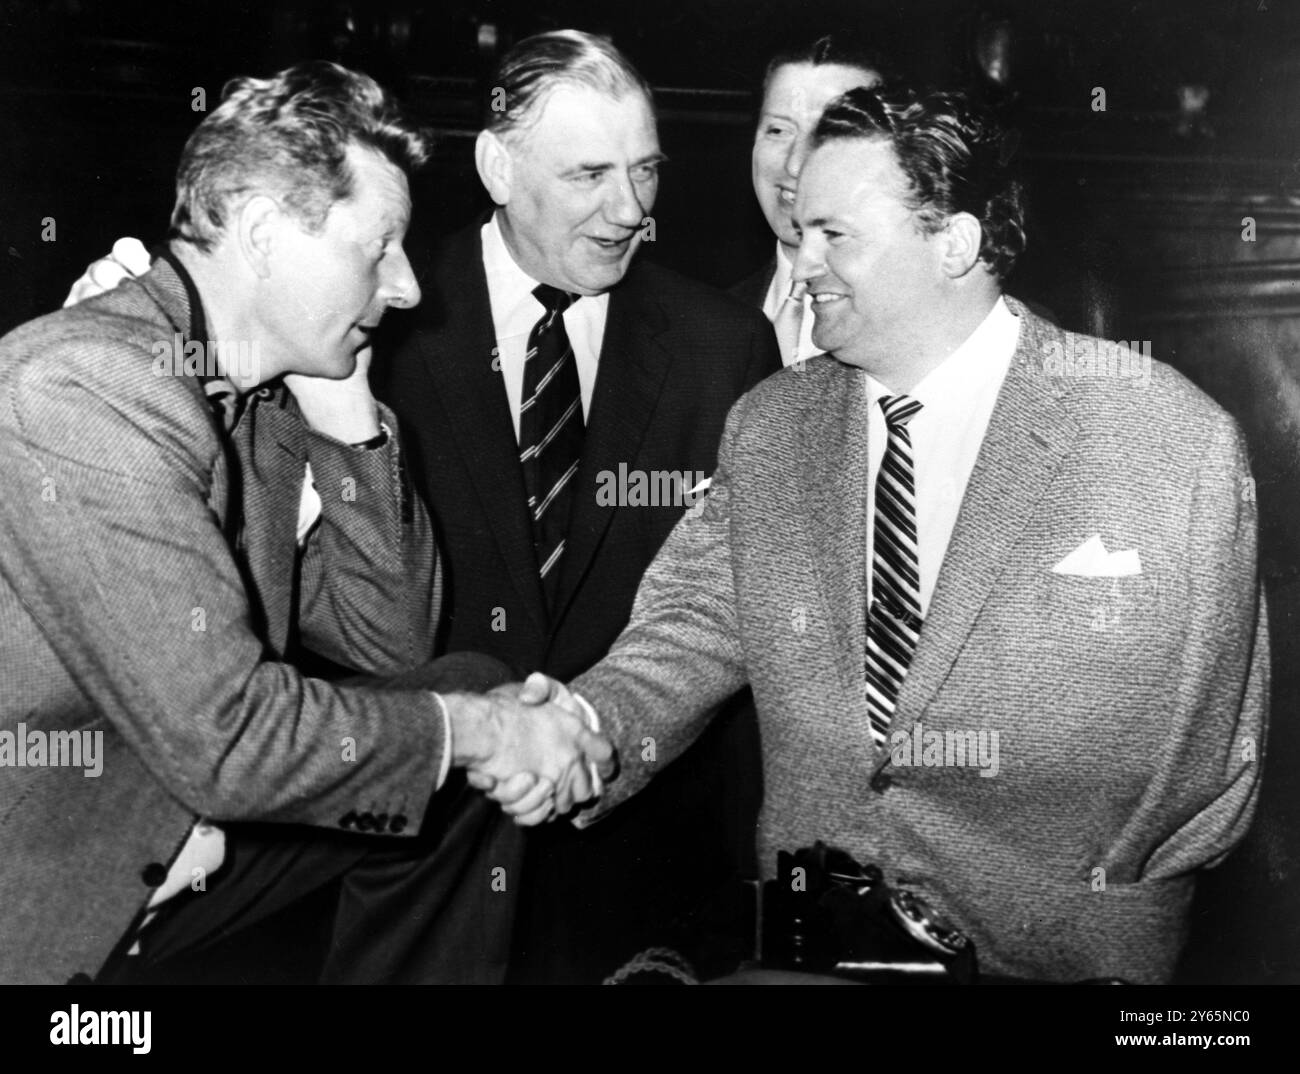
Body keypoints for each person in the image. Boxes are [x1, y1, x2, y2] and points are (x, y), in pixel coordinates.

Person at [514, 83, 1270, 983]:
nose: (801, 267)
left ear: (954, 241)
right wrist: (586, 727)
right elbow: (689, 629)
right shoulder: (771, 426)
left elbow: (1210, 746)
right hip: (814, 951)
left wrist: (1107, 920)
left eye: (836, 235)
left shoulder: (1161, 433)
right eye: (800, 235)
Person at [0, 60, 611, 987]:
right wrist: (487, 734)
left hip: (158, 823)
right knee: (467, 725)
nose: (408, 288)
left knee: (468, 686)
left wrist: (350, 417)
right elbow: (229, 740)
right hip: (40, 888)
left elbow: (391, 645)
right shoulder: (87, 385)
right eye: (380, 247)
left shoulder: (252, 397)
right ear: (261, 232)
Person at [370, 29, 781, 982]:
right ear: (496, 167)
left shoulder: (724, 347)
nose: (630, 210)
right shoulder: (379, 325)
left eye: (645, 172)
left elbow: (730, 628)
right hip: (421, 860)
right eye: (590, 174)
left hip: (642, 882)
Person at [731, 34, 886, 365]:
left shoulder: (921, 324)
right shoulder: (703, 321)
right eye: (778, 130)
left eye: (828, 134)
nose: (794, 164)